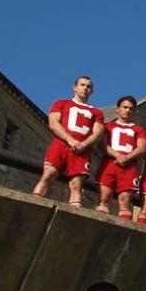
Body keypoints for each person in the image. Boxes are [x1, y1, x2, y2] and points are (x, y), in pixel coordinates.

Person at [34, 76, 106, 206]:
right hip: (61, 144)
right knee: (48, 174)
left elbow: (98, 133)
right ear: (75, 87)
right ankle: (33, 204)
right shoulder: (61, 103)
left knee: (77, 184)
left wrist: (84, 144)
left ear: (92, 91)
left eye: (88, 86)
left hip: (82, 150)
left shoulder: (96, 112)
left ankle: (74, 214)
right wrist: (70, 140)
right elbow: (53, 123)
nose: (85, 88)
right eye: (82, 85)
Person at [96, 95, 146, 219]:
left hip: (129, 167)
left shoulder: (138, 129)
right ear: (118, 109)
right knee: (104, 198)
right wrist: (117, 155)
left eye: (131, 108)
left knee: (125, 200)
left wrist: (127, 157)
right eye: (125, 107)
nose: (128, 110)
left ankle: (123, 228)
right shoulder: (108, 126)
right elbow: (102, 144)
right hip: (109, 163)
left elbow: (142, 148)